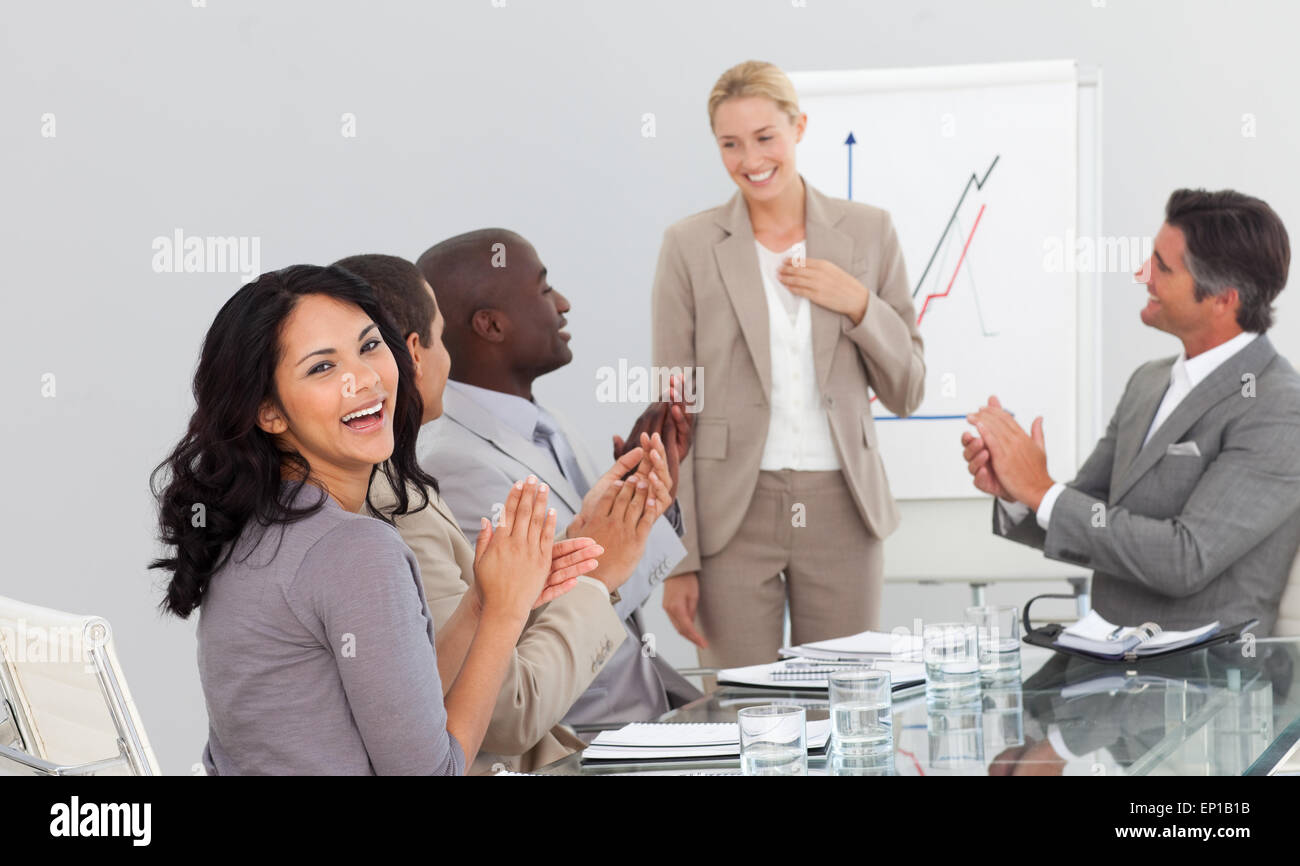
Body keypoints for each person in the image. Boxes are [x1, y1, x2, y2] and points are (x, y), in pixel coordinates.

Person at [149, 265, 600, 775]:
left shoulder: (253, 527)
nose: (362, 379)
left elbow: (402, 711)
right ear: (269, 411)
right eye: (322, 368)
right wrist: (504, 616)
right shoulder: (354, 549)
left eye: (368, 347)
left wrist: (483, 601)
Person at [334, 253, 659, 773]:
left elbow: (483, 622)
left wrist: (573, 551)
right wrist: (594, 576)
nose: (564, 304)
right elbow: (506, 710)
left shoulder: (406, 480)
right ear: (416, 354)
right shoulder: (402, 497)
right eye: (440, 339)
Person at [652, 60, 926, 668]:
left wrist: (858, 303)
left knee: (846, 714)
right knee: (737, 719)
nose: (750, 159)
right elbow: (674, 414)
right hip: (730, 515)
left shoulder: (869, 232)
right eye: (731, 143)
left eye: (765, 137)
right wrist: (680, 556)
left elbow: (909, 388)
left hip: (842, 509)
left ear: (799, 127)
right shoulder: (688, 246)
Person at [964, 189, 1300, 636]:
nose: (1143, 274)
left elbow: (1187, 558)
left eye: (1162, 267)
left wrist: (1043, 492)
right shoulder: (1149, 381)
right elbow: (1086, 513)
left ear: (1223, 299)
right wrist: (1018, 492)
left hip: (1207, 682)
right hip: (1104, 661)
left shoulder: (1279, 406)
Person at [416, 230, 703, 728]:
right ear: (491, 325)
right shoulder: (455, 464)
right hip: (580, 732)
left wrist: (646, 500)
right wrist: (627, 525)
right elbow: (545, 613)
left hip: (643, 707)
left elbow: (602, 578)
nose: (563, 304)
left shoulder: (548, 424)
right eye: (546, 290)